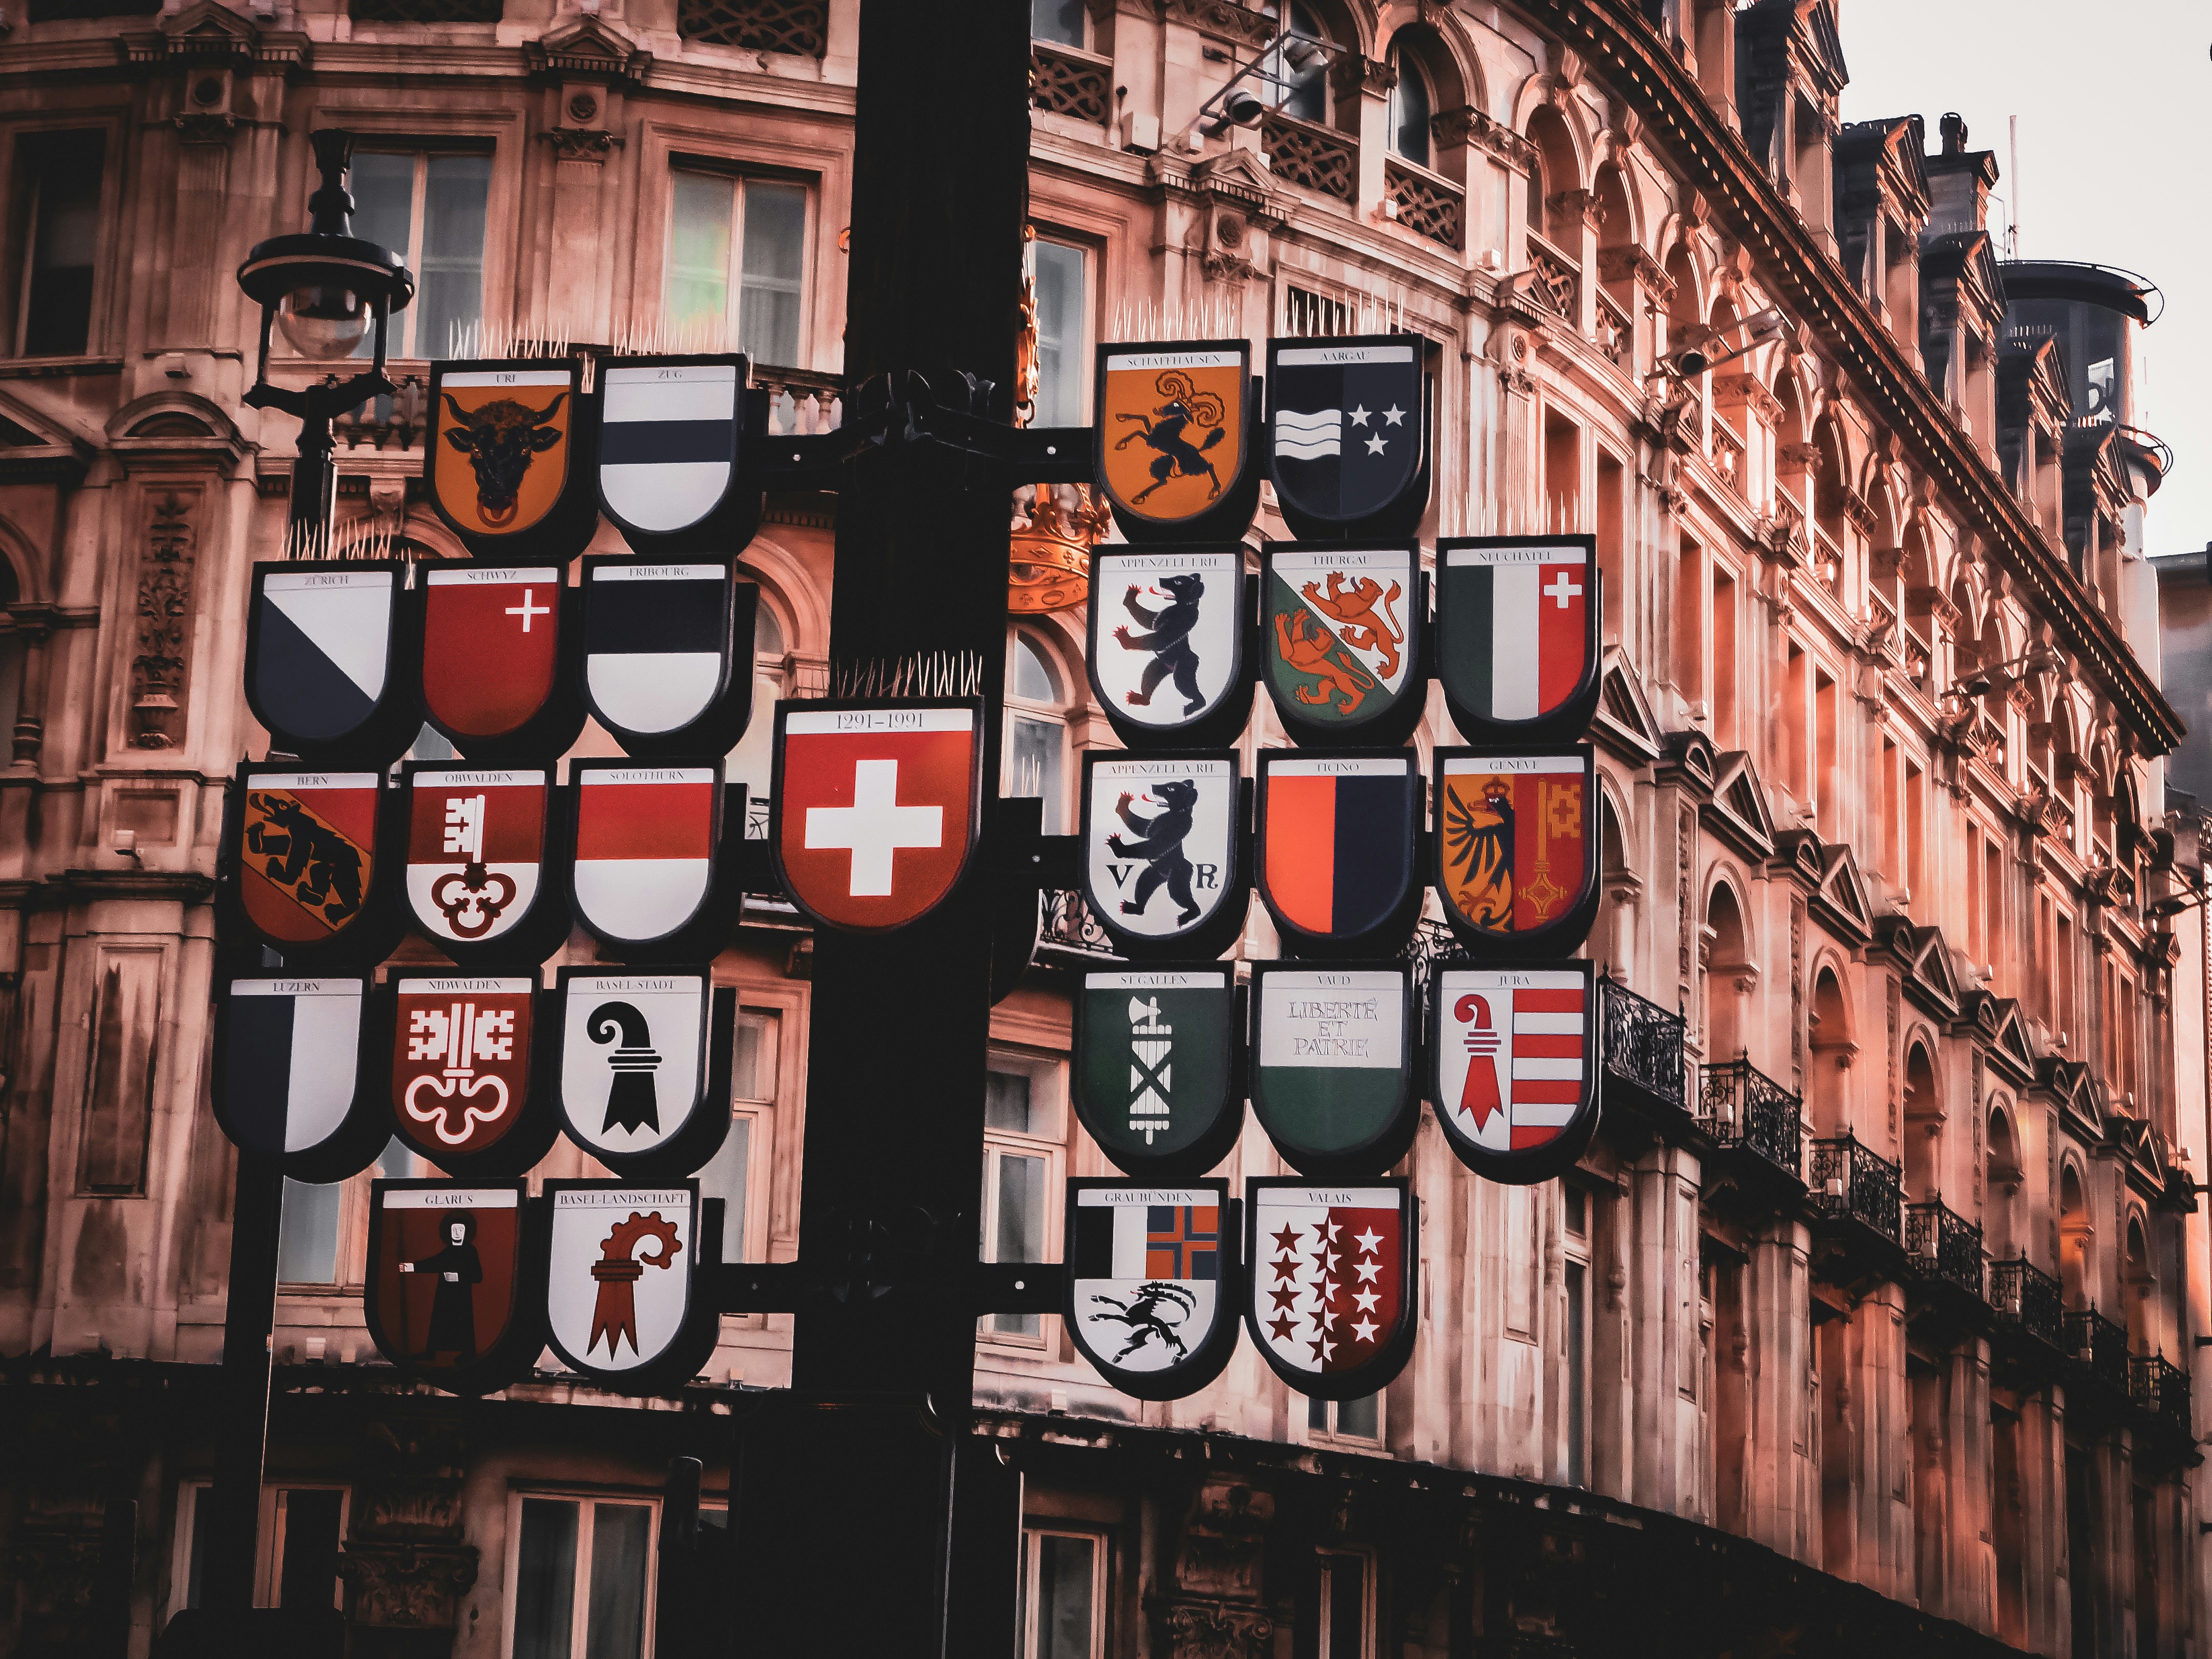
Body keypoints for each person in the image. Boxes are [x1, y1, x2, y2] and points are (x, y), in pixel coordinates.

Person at [398, 1212, 482, 1363]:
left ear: (465, 1232)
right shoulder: (448, 1250)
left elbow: (477, 1276)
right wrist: (411, 1267)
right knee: (438, 1323)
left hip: (461, 1296)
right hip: (445, 1294)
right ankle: (431, 1353)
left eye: (460, 1230)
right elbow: (434, 1263)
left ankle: (468, 1353)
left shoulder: (471, 1251)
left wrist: (458, 1277)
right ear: (450, 1231)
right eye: (454, 1229)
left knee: (464, 1323)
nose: (457, 1233)